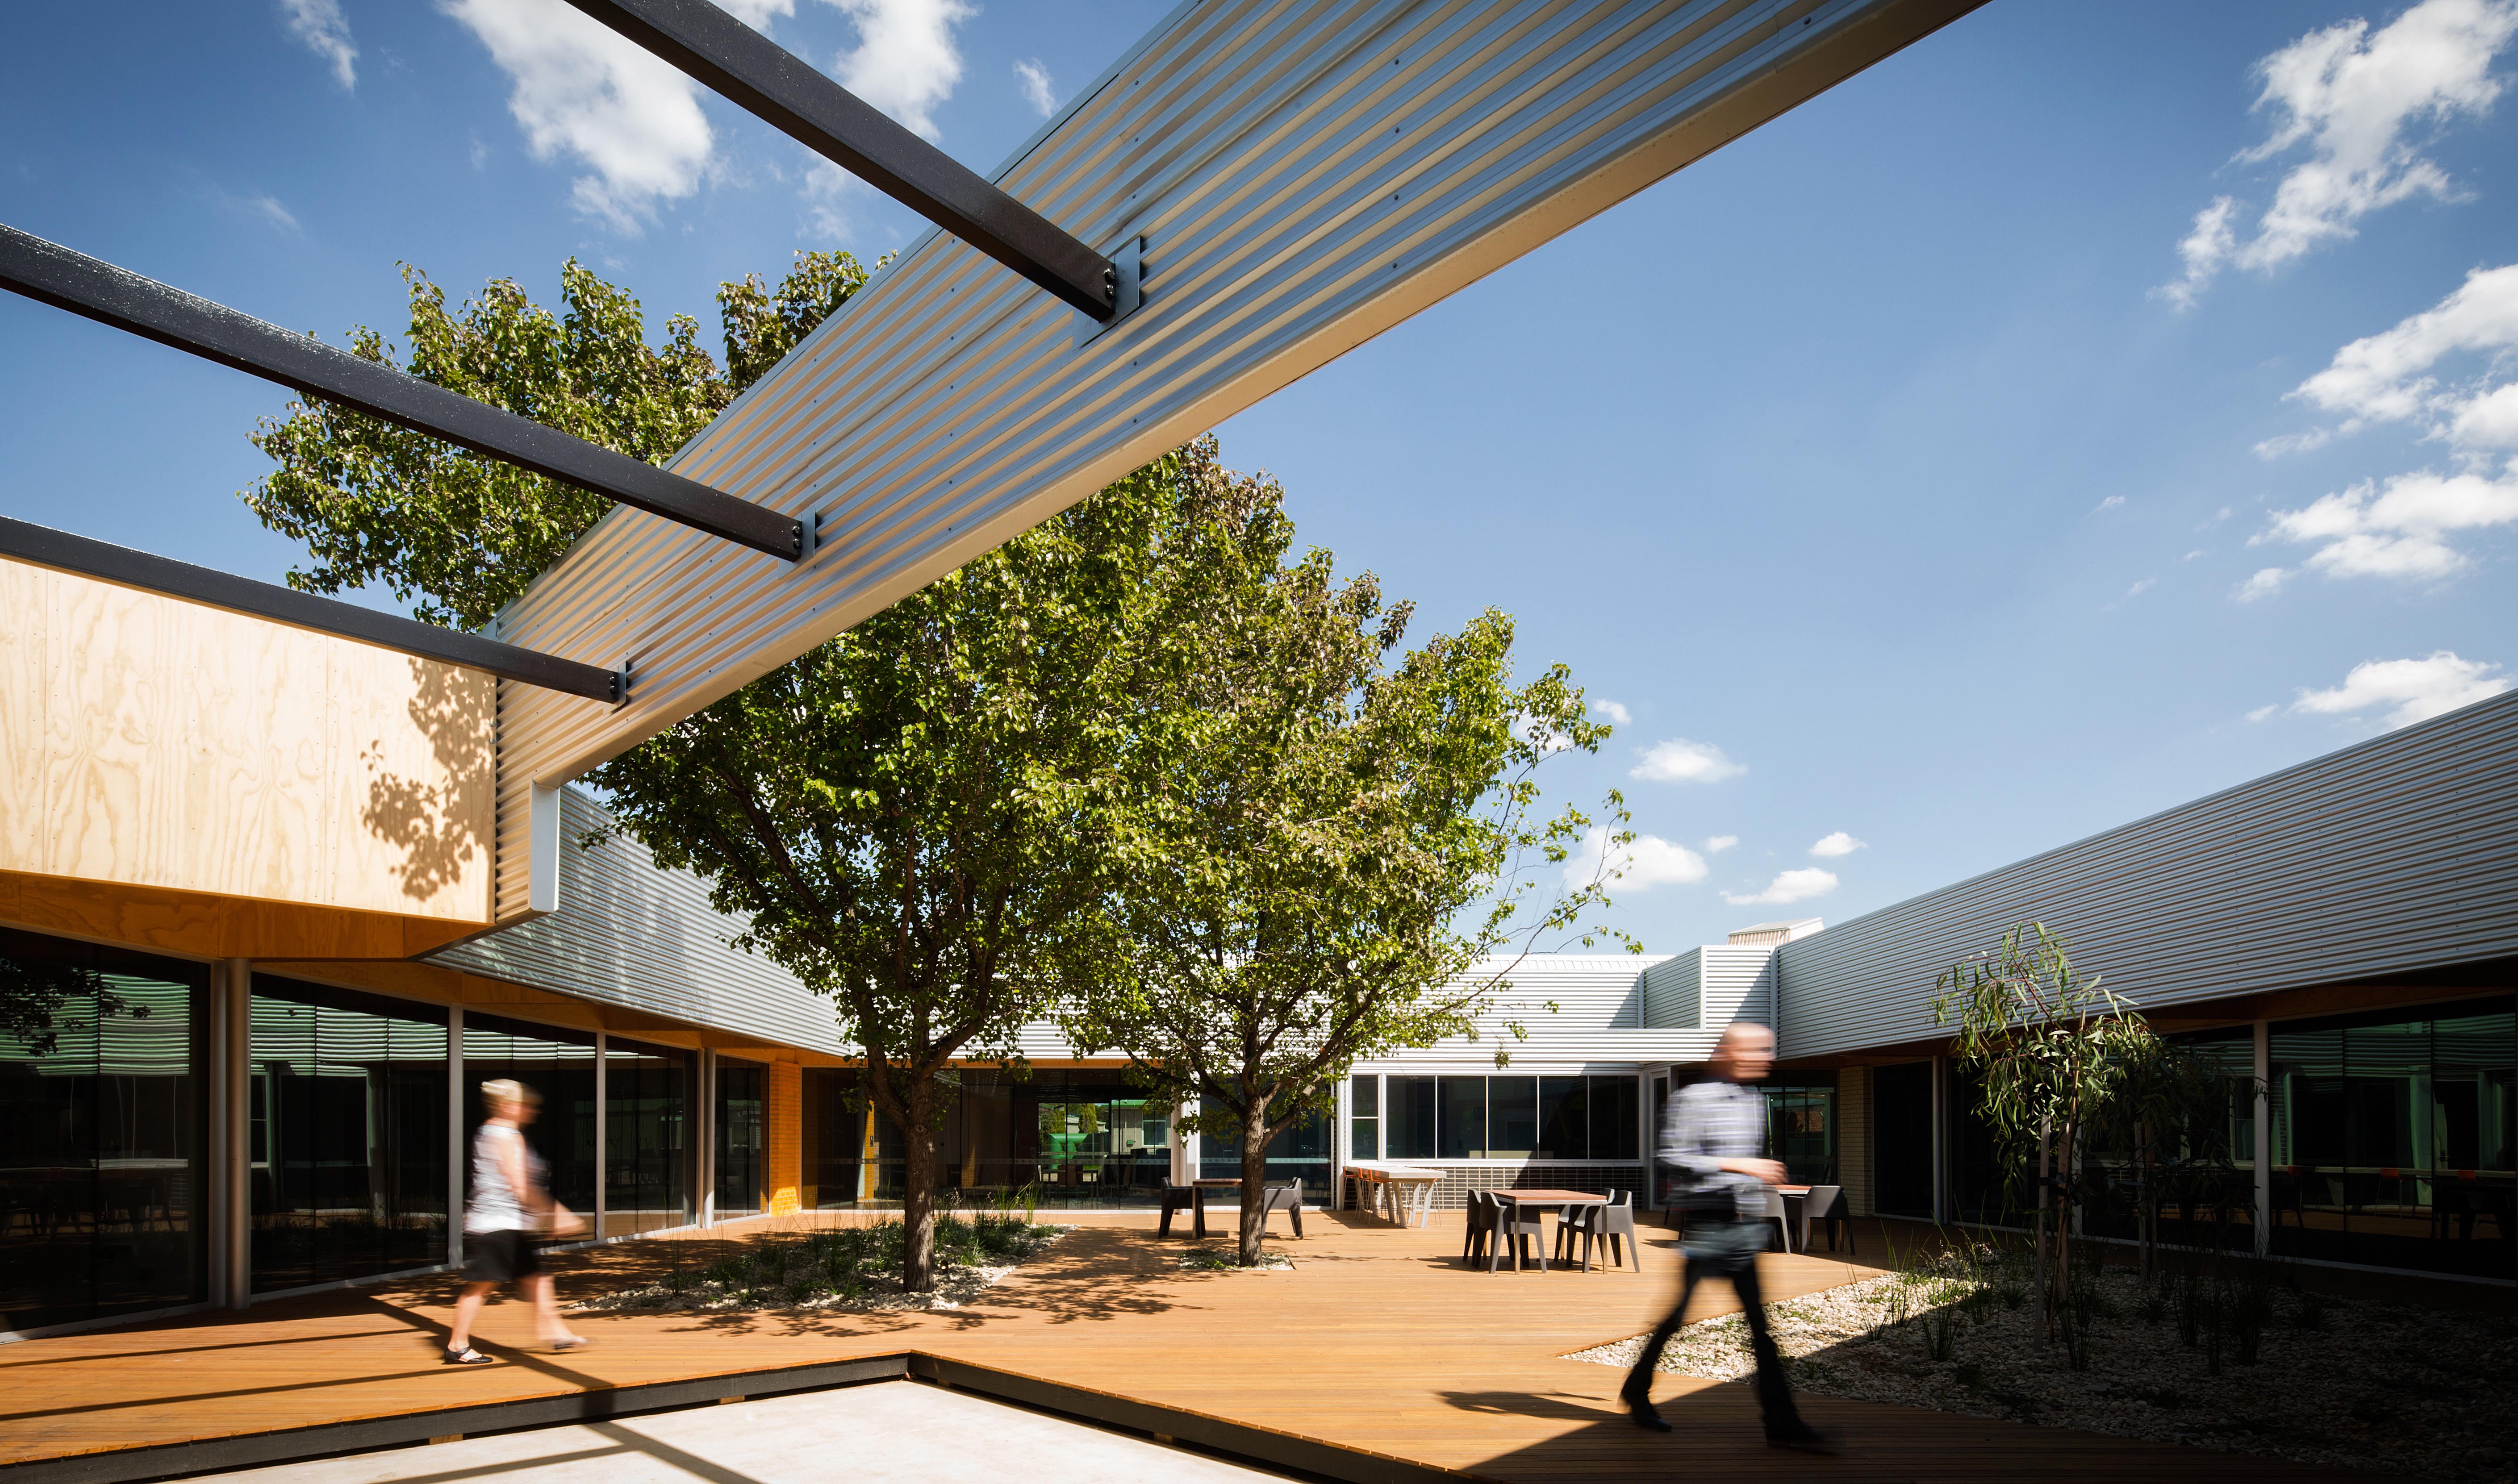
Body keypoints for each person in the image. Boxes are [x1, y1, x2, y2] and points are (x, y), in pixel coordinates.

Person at [1621, 1022, 1834, 1454]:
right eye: (1757, 1050)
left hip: (1742, 1228)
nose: (1767, 1057)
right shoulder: (1693, 1099)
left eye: (1768, 1050)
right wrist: (1741, 1166)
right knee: (1677, 1318)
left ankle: (1781, 1422)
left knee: (1760, 1328)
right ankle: (1637, 1390)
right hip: (1708, 1225)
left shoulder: (1753, 1102)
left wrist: (1754, 1191)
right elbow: (1670, 1157)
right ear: (1729, 1053)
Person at [444, 1079, 589, 1364]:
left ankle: (557, 1334)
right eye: (527, 1106)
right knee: (482, 1285)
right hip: (498, 1225)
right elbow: (521, 1186)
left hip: (503, 1223)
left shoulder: (491, 1132)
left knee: (538, 1279)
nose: (533, 1112)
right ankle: (457, 1346)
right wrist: (558, 1213)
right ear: (508, 1106)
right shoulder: (507, 1137)